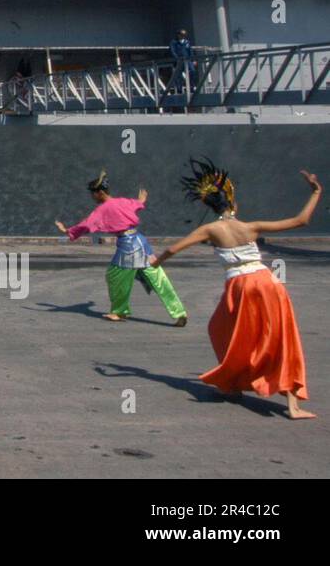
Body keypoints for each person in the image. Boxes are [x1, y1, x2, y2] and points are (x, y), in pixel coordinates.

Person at [152, 159, 321, 418]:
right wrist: (316, 192)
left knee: (222, 330)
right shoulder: (249, 227)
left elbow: (174, 248)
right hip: (267, 283)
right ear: (233, 203)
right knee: (279, 337)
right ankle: (290, 404)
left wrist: (156, 262)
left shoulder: (210, 229)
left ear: (209, 205)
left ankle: (233, 384)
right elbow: (301, 221)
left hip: (240, 286)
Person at [55, 170, 187, 324]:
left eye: (93, 194)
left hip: (128, 246)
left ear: (100, 193)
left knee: (115, 274)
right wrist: (141, 199)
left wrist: (67, 231)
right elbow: (137, 204)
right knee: (158, 277)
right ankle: (179, 312)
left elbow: (86, 224)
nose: (92, 197)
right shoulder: (123, 201)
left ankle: (120, 312)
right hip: (141, 242)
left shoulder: (103, 209)